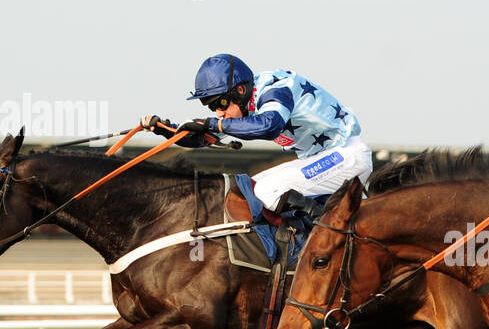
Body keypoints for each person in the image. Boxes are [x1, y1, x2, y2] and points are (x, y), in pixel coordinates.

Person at [142, 54, 373, 218]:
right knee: (249, 188)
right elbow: (203, 139)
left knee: (266, 191)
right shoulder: (244, 105)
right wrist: (165, 129)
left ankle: (331, 236)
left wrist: (214, 123)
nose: (219, 112)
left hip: (346, 156)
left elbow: (269, 125)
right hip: (323, 160)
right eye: (211, 107)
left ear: (240, 91)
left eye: (221, 103)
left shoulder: (276, 88)